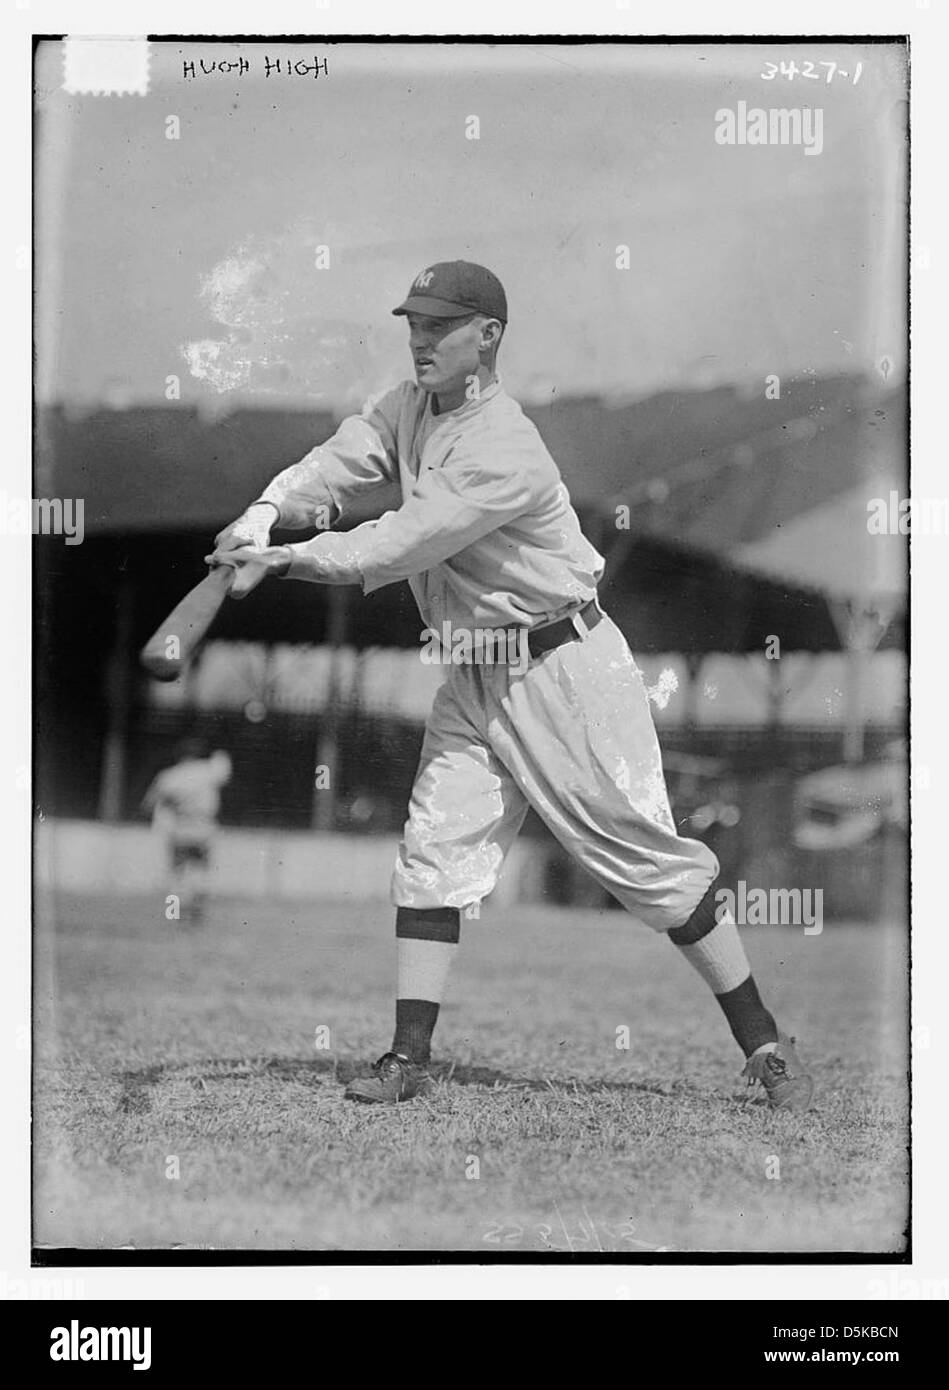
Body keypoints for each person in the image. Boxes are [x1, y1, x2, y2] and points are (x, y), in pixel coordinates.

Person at [208, 260, 813, 1110]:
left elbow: (399, 543)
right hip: (475, 669)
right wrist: (269, 510)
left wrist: (286, 559)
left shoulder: (504, 449)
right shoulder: (409, 404)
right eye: (412, 324)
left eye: (438, 326)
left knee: (648, 868)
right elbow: (345, 460)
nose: (418, 339)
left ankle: (763, 1046)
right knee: (432, 854)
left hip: (565, 668)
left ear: (485, 337)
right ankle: (407, 1059)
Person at [142, 739, 232, 924]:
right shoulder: (207, 771)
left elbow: (149, 804)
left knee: (176, 874)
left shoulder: (169, 776)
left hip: (180, 828)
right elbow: (224, 768)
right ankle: (196, 914)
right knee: (201, 872)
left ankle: (173, 914)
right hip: (204, 829)